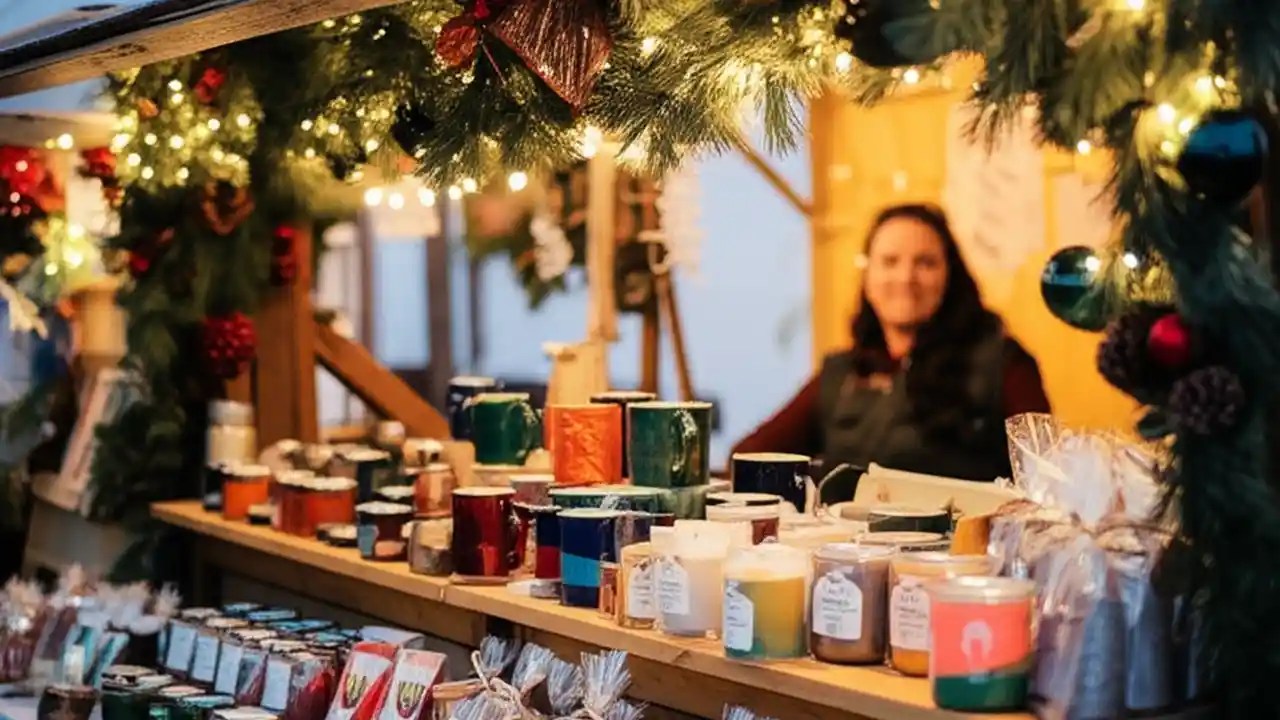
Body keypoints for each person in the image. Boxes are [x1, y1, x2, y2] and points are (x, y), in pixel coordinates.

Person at [731, 203, 1050, 481]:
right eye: (890, 261)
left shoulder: (1004, 366)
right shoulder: (841, 373)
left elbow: (1049, 478)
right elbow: (750, 458)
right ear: (868, 276)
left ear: (950, 276)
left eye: (925, 262)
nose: (906, 278)